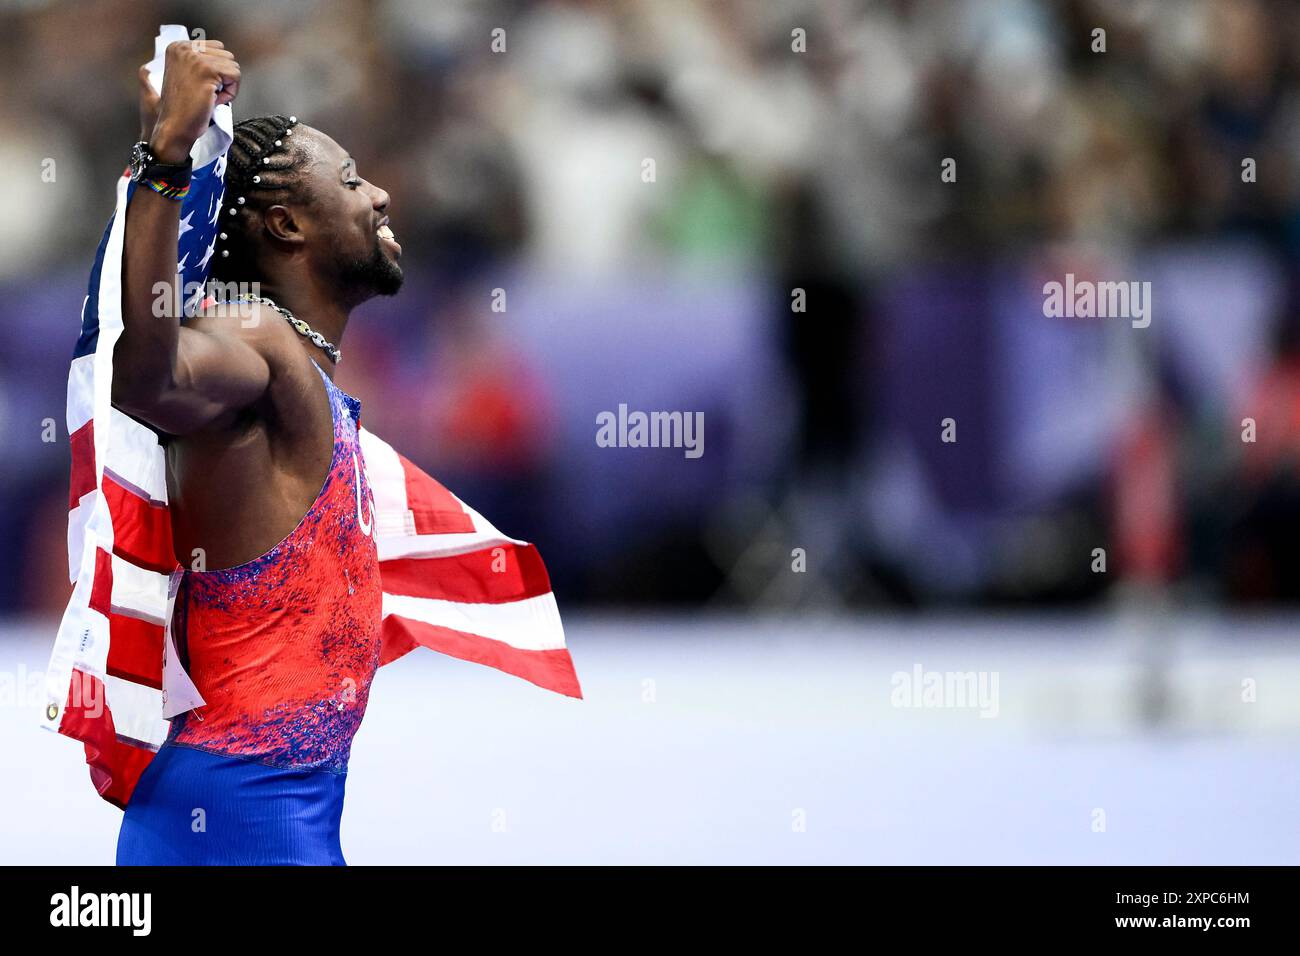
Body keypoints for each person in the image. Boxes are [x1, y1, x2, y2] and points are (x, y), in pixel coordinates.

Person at [110, 38, 407, 864]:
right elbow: (150, 377)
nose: (379, 195)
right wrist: (168, 154)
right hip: (243, 817)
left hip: (268, 808)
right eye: (349, 182)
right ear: (285, 224)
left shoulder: (300, 371)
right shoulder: (258, 340)